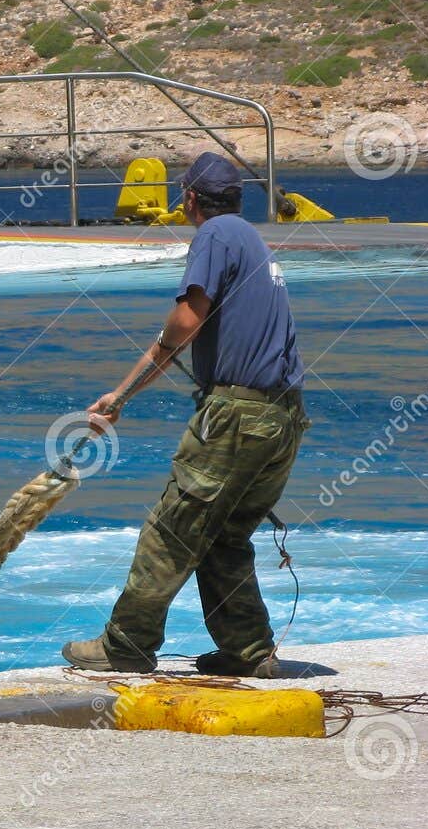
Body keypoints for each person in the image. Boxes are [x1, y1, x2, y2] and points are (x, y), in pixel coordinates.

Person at [63, 153, 307, 679]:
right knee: (224, 535)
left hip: (236, 418)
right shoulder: (252, 240)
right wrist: (124, 393)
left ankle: (127, 645)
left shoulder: (215, 236)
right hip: (282, 418)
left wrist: (122, 393)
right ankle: (248, 651)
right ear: (237, 197)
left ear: (190, 199)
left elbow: (186, 320)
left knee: (174, 528)